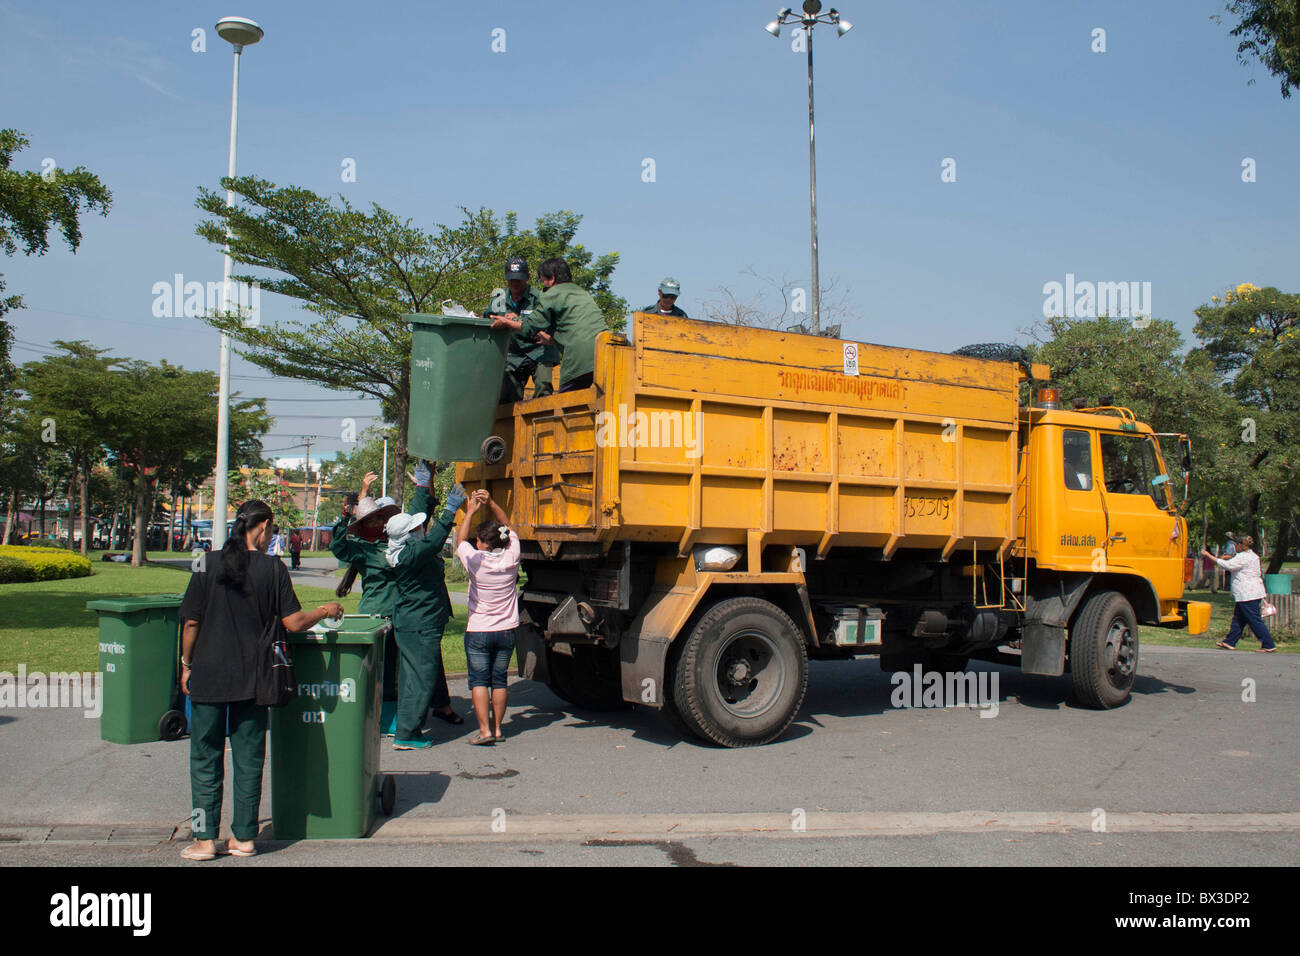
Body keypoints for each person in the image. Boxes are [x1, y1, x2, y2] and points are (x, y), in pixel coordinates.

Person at [178, 499, 345, 860]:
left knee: (204, 757)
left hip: (208, 675)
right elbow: (294, 623)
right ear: (265, 526)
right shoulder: (273, 568)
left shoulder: (205, 563)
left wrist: (186, 663)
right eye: (273, 529)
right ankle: (244, 838)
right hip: (254, 679)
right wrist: (326, 609)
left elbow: (191, 622)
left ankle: (205, 840)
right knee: (249, 758)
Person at [386, 476, 469, 749]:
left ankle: (406, 727)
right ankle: (408, 734)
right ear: (410, 535)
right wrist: (449, 512)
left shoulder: (404, 547)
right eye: (417, 528)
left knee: (412, 677)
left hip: (414, 622)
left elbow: (413, 519)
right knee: (421, 679)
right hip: (420, 623)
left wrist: (423, 487)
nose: (421, 527)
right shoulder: (412, 554)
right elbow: (433, 542)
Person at [456, 489, 520, 744]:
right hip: (506, 631)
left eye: (478, 540)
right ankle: (497, 729)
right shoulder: (512, 557)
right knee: (500, 680)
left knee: (479, 681)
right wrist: (493, 502)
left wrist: (470, 511)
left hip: (479, 630)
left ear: (483, 543)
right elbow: (508, 525)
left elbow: (461, 539)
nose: (475, 542)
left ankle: (483, 731)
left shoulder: (475, 561)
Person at [491, 257, 607, 393]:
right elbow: (574, 326)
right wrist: (551, 339)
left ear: (551, 279)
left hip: (579, 359)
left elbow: (529, 327)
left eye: (543, 280)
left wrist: (507, 322)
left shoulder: (550, 294)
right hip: (605, 352)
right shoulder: (582, 293)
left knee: (564, 404)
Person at [484, 256, 558, 404]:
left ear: (527, 277)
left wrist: (516, 320)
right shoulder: (499, 299)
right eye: (511, 279)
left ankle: (540, 423)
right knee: (506, 395)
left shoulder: (538, 298)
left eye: (519, 279)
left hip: (538, 351)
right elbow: (486, 319)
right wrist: (500, 320)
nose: (515, 283)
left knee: (544, 387)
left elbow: (544, 324)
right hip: (513, 354)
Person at [1201, 535, 1277, 652]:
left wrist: (1208, 555)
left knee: (1254, 619)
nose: (1235, 547)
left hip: (1247, 593)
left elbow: (1227, 565)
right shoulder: (1253, 556)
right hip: (1252, 592)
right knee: (1238, 618)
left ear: (1241, 545)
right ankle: (1230, 641)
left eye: (1236, 545)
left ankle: (1268, 644)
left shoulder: (1243, 557)